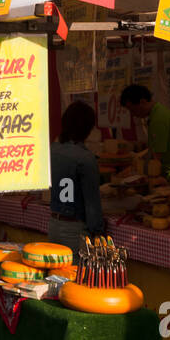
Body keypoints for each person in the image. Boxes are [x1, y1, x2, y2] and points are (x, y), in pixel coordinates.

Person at [49, 102, 106, 252]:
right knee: (76, 273)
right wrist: (98, 232)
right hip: (75, 229)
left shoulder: (52, 150)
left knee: (56, 273)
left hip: (54, 223)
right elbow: (92, 203)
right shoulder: (85, 158)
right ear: (87, 128)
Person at [121, 83, 170, 175]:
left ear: (142, 102)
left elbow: (156, 160)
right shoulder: (157, 113)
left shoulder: (158, 119)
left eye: (133, 110)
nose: (133, 115)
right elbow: (153, 151)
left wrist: (135, 171)